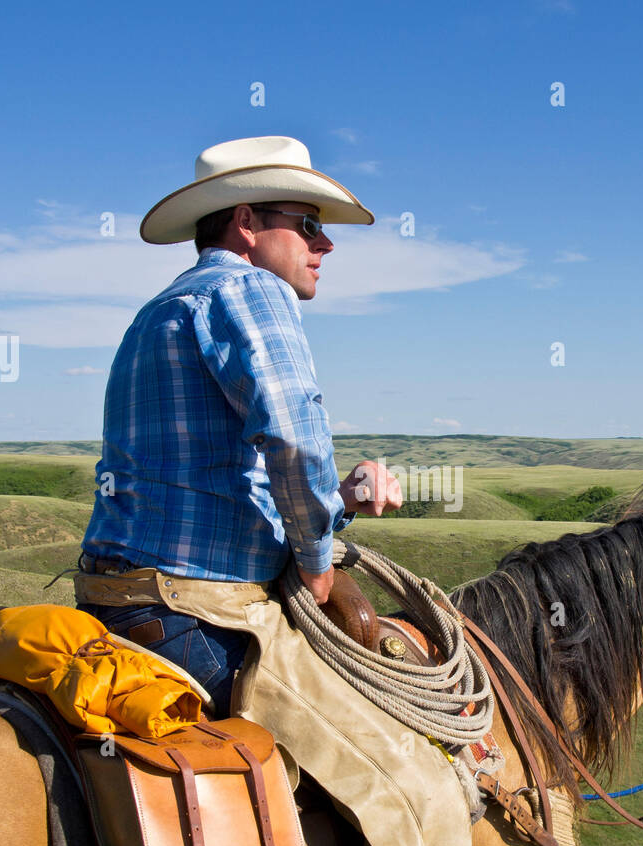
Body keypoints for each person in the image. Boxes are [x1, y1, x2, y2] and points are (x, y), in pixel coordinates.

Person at [76, 135, 402, 714]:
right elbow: (293, 434)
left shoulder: (160, 309)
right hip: (197, 613)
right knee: (396, 765)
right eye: (306, 224)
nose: (324, 243)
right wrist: (316, 561)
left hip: (114, 602)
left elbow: (210, 474)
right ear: (246, 223)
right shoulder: (250, 286)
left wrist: (337, 499)